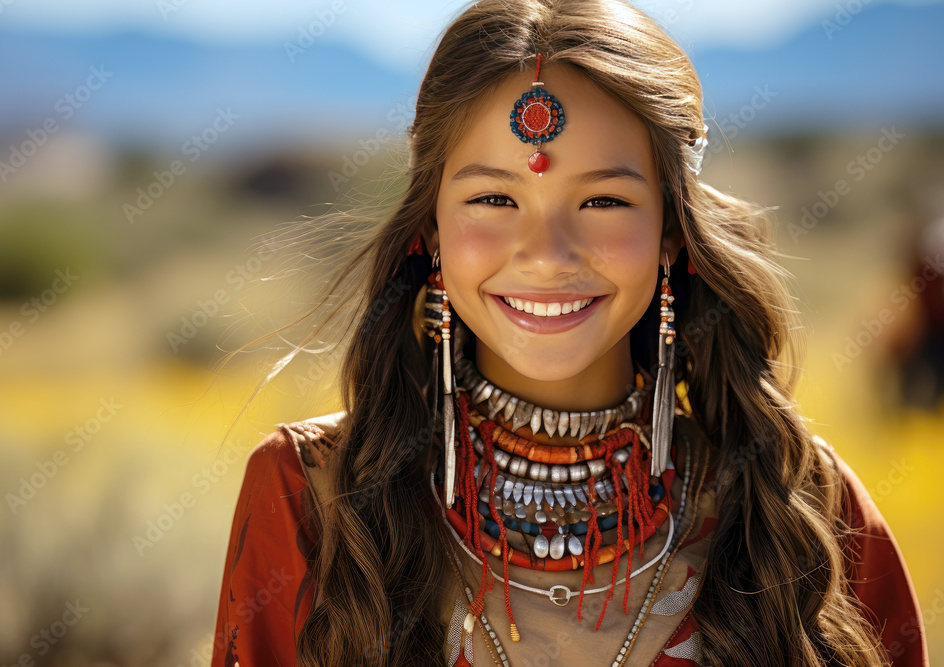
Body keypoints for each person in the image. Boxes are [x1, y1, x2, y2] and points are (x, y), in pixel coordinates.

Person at [210, 1, 928, 665]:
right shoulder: (314, 498)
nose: (547, 253)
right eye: (494, 197)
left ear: (673, 232)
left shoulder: (801, 508)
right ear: (431, 228)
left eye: (603, 200)